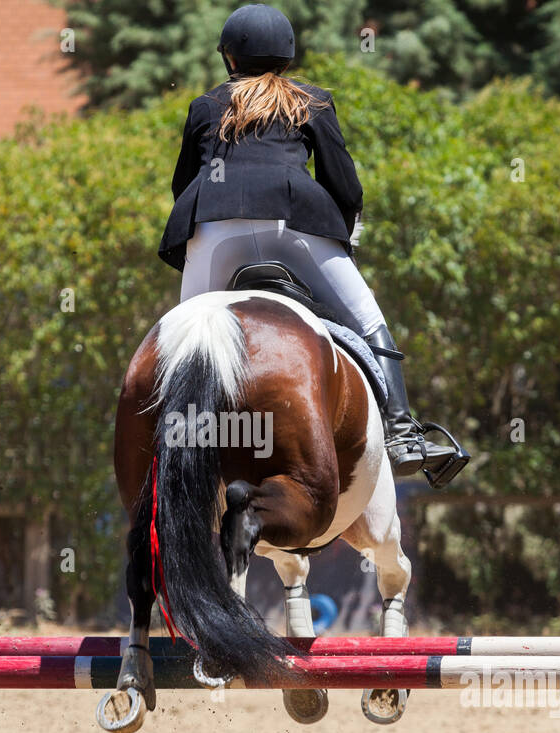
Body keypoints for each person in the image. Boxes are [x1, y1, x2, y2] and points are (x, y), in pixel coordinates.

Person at [158, 3, 454, 477]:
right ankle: (401, 433)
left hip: (214, 232)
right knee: (367, 318)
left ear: (229, 60)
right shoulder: (311, 101)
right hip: (293, 227)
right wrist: (341, 232)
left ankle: (171, 444)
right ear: (289, 57)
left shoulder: (206, 106)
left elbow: (182, 186)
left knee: (184, 341)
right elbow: (343, 183)